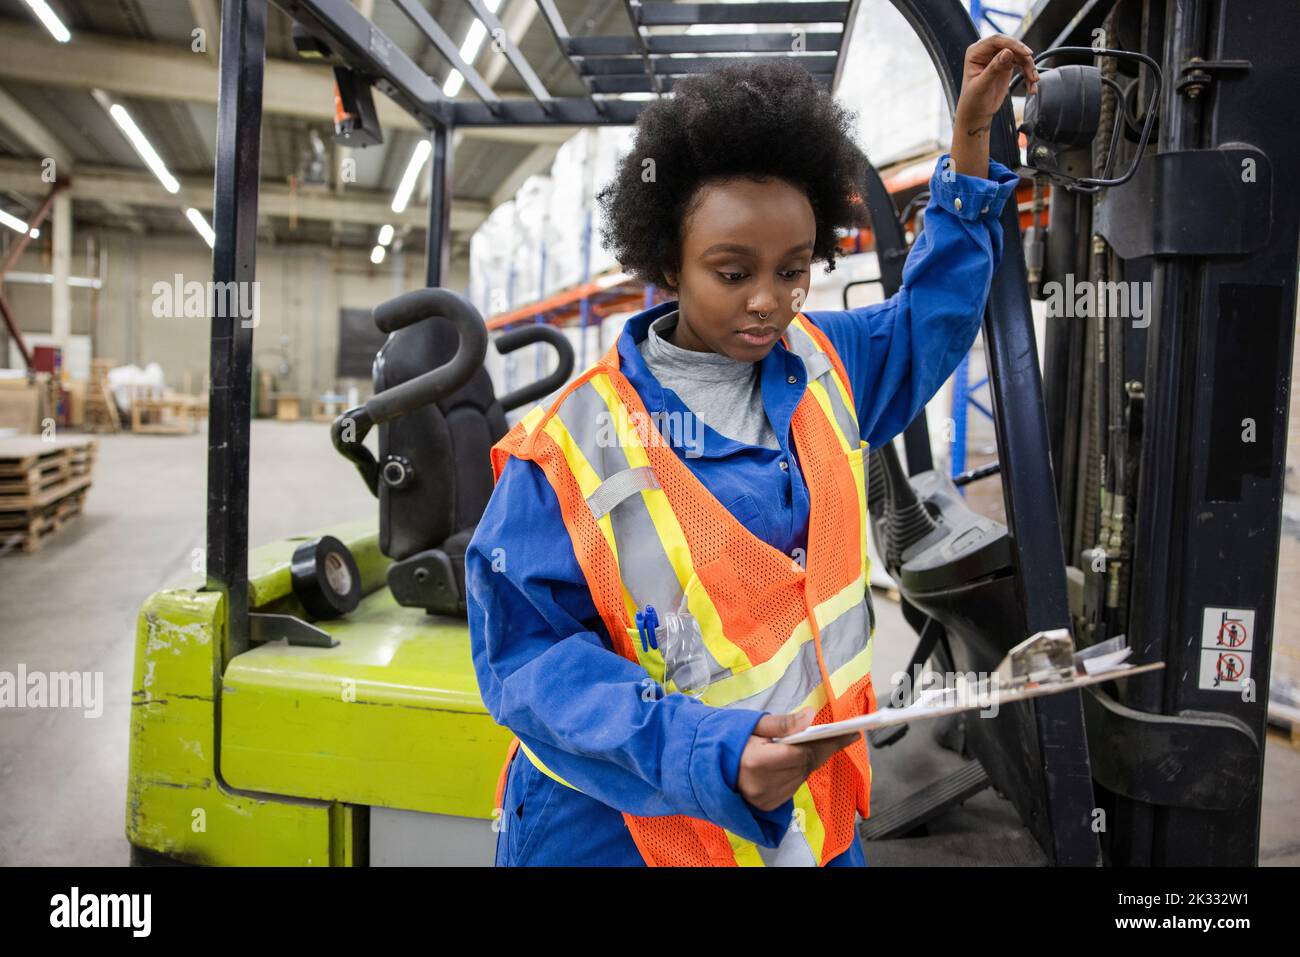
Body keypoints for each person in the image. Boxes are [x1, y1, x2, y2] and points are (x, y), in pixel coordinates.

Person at [467, 35, 1038, 866]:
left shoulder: (827, 366)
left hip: (807, 810)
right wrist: (706, 748)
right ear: (668, 259)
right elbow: (527, 658)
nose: (769, 303)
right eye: (732, 274)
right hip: (623, 833)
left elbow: (932, 316)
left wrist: (972, 140)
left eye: (794, 269)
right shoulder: (569, 449)